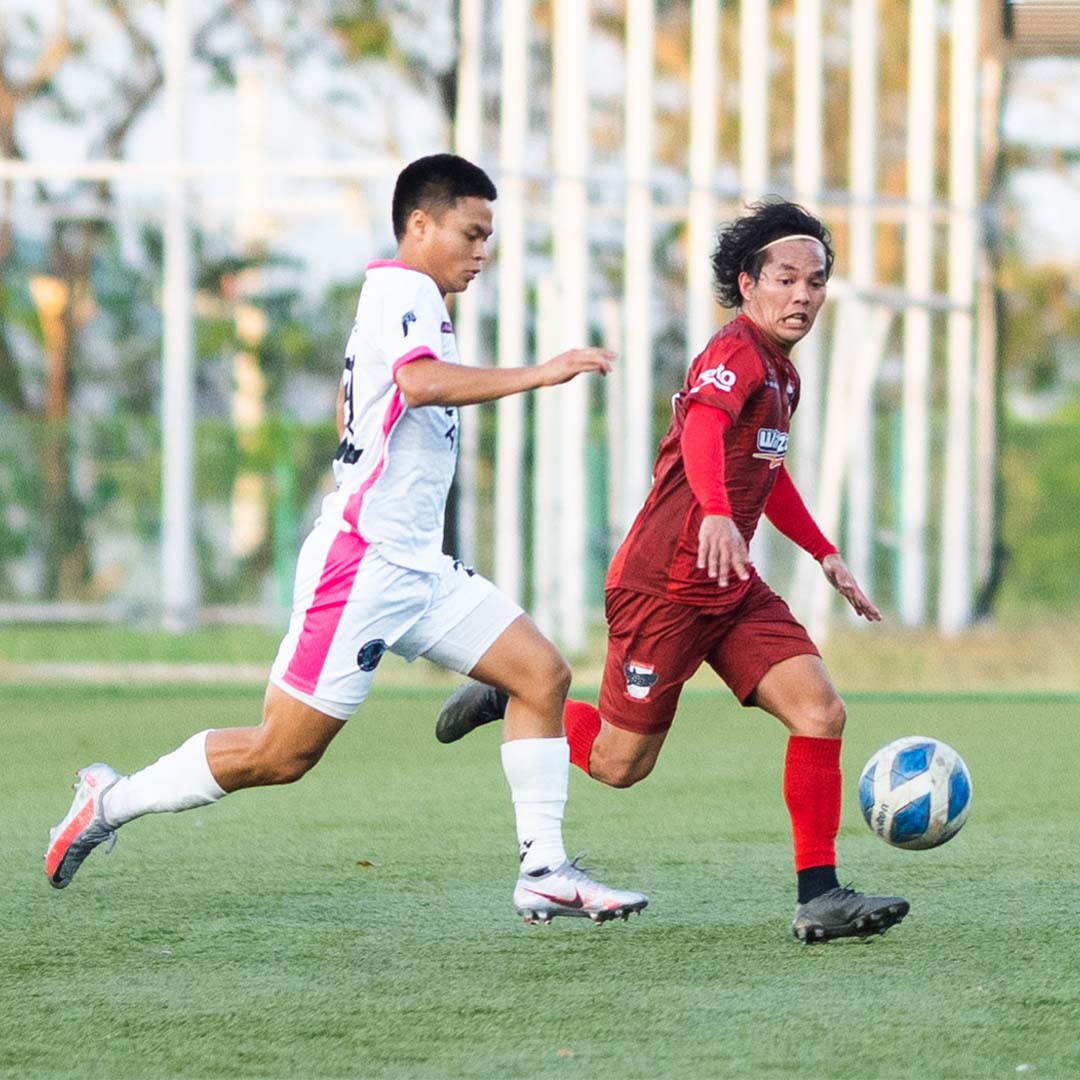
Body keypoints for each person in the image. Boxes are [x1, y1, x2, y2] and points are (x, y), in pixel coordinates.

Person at [45, 153, 647, 927]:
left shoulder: (403, 297)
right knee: (280, 753)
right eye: (471, 233)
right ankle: (110, 800)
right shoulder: (407, 289)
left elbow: (362, 401)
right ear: (420, 224)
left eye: (488, 237)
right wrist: (542, 371)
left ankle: (543, 871)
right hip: (363, 565)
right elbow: (419, 382)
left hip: (418, 566)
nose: (482, 251)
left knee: (541, 674)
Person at [435, 199, 908, 943]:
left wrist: (824, 552)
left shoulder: (782, 374)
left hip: (731, 587)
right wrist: (716, 511)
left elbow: (767, 470)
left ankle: (819, 896)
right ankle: (510, 696)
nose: (803, 295)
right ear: (748, 284)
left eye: (816, 282)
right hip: (663, 587)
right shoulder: (735, 354)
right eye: (786, 279)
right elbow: (704, 429)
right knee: (620, 765)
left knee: (820, 712)